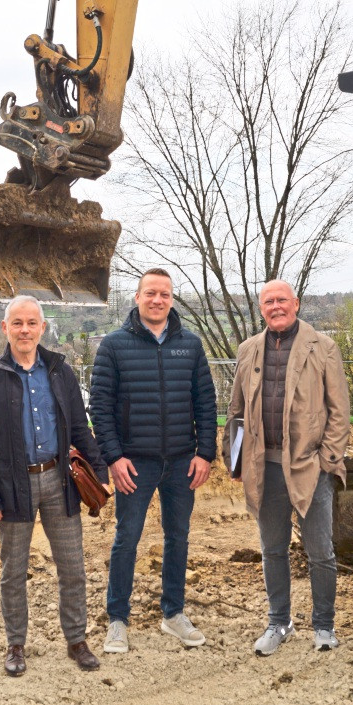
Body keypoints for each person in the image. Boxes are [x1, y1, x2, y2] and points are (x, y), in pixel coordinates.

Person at [0, 296, 110, 676]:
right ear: (5, 328)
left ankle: (76, 640)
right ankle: (16, 644)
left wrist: (100, 471)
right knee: (13, 571)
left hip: (59, 479)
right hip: (12, 486)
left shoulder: (60, 372)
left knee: (73, 566)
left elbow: (80, 426)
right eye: (17, 323)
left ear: (42, 327)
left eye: (32, 322)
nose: (25, 329)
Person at [90, 267, 217, 653]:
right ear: (137, 297)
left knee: (178, 537)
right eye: (150, 293)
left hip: (182, 462)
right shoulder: (114, 345)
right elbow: (100, 407)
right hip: (135, 464)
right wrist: (114, 457)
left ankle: (173, 614)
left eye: (164, 294)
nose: (157, 300)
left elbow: (206, 404)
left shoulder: (190, 345)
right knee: (126, 539)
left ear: (172, 300)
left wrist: (205, 453)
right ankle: (117, 620)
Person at [226, 280, 350, 655]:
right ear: (261, 308)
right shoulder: (249, 350)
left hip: (310, 467)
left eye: (282, 300)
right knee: (273, 549)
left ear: (295, 303)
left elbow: (340, 412)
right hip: (266, 467)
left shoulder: (323, 347)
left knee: (320, 551)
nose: (275, 306)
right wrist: (235, 459)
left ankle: (324, 627)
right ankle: (279, 623)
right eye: (268, 302)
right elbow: (235, 412)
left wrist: (328, 460)